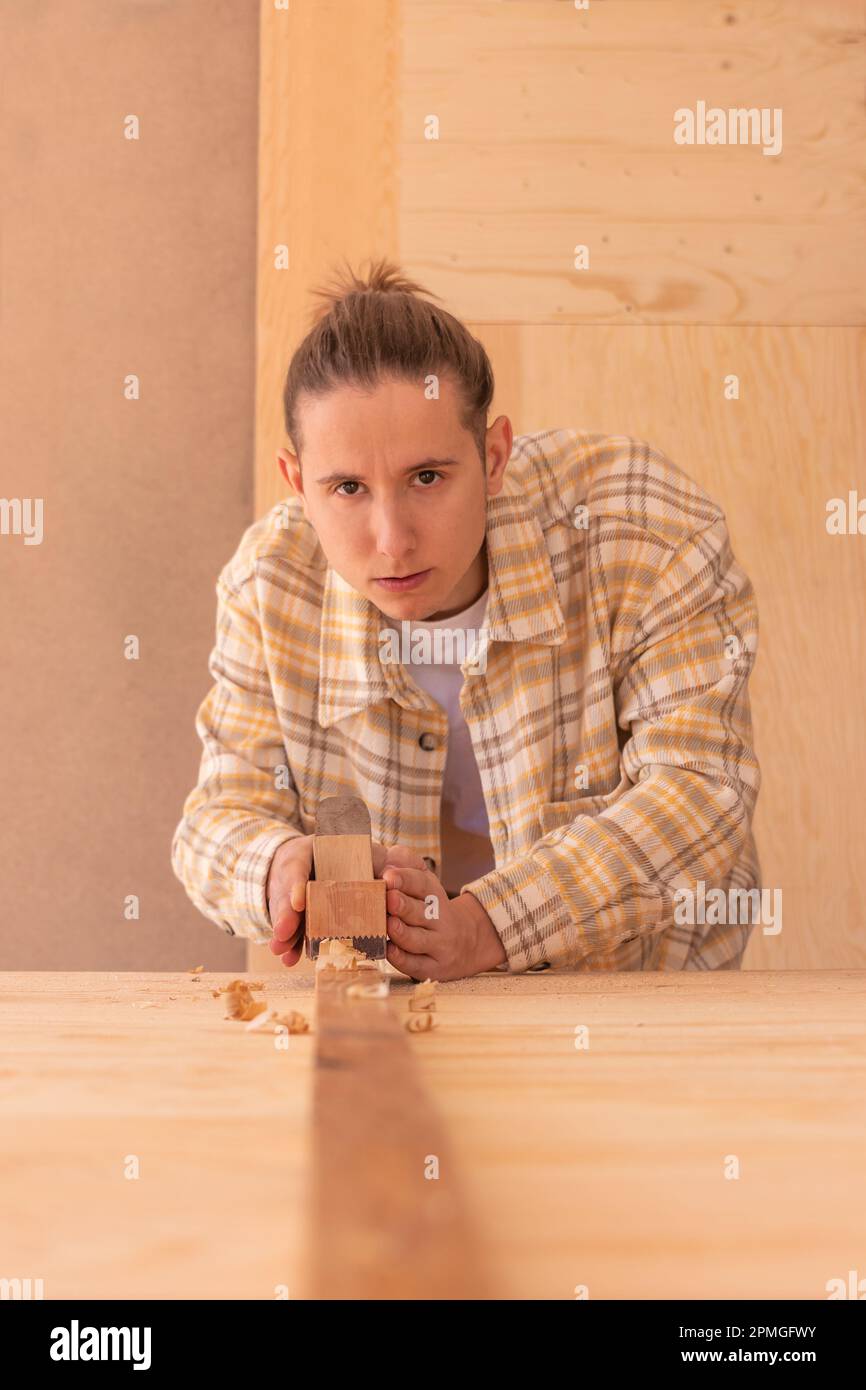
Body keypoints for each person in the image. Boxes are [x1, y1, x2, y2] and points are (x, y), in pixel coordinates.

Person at [171, 256, 762, 980]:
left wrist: (485, 928)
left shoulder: (644, 529)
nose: (392, 540)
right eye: (348, 488)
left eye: (427, 477)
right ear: (299, 484)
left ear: (493, 454)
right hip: (389, 1014)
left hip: (640, 999)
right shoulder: (268, 585)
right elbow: (214, 820)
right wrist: (279, 868)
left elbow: (702, 792)